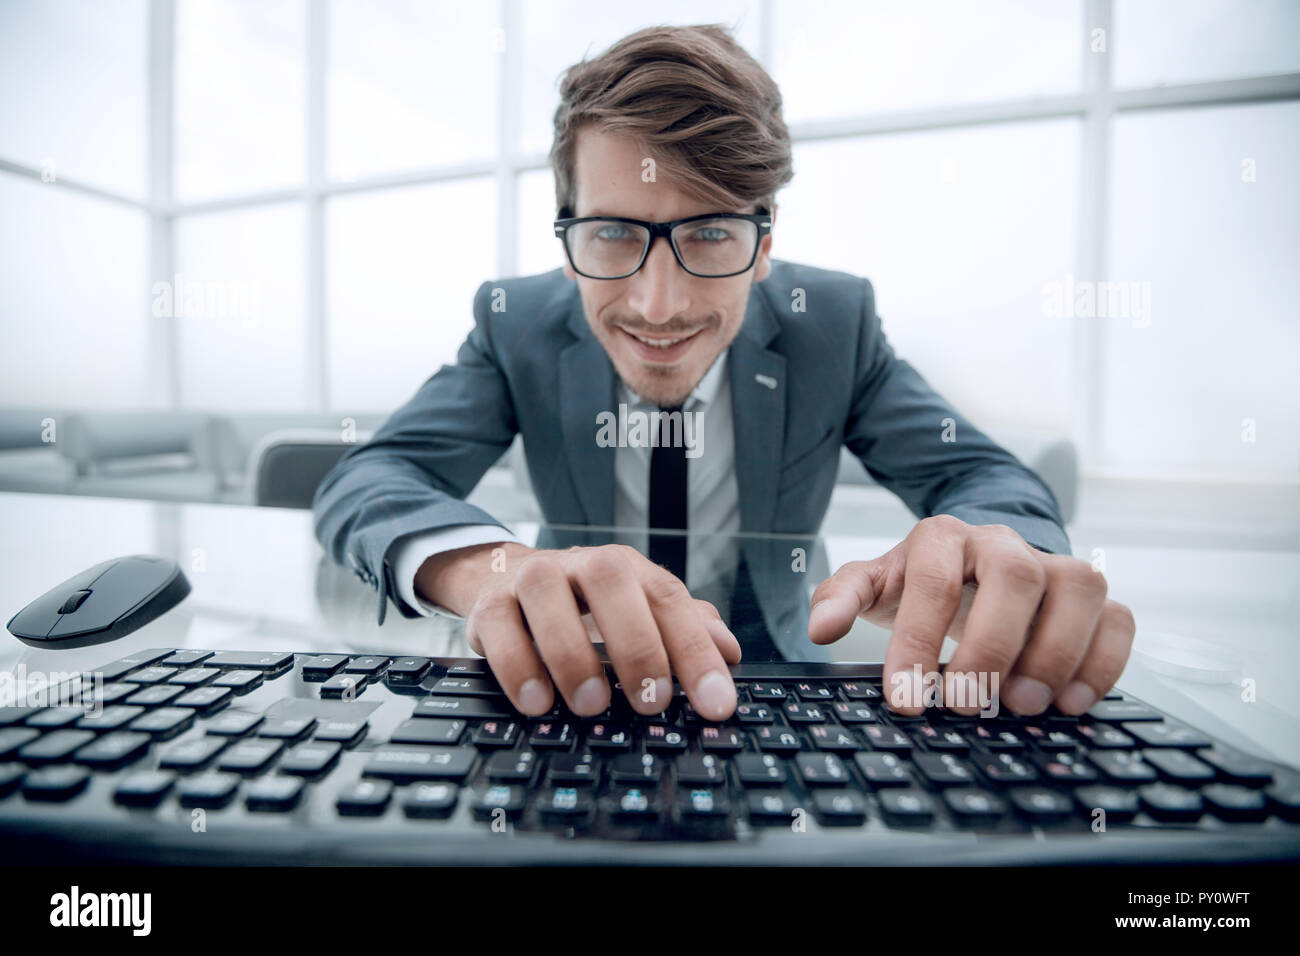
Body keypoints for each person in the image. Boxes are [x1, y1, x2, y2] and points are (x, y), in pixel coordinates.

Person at [313, 23, 1135, 726]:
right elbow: (374, 477)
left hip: (784, 670)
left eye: (709, 235)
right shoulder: (514, 322)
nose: (657, 305)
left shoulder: (833, 323)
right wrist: (493, 570)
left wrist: (994, 552)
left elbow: (981, 474)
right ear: (565, 235)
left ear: (765, 243)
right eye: (610, 234)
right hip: (572, 672)